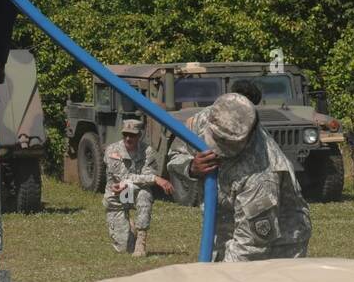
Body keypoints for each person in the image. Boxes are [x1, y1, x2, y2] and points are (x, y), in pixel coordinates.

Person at [167, 93, 311, 261]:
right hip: (223, 230)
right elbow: (176, 154)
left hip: (276, 247)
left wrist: (224, 279)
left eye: (225, 143)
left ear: (248, 137)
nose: (216, 149)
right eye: (215, 139)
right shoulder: (213, 117)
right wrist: (191, 167)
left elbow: (250, 248)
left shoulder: (262, 175)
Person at [104, 119, 172, 256]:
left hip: (134, 192)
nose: (128, 138)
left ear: (139, 135)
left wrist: (150, 178)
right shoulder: (112, 151)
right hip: (117, 196)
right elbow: (123, 178)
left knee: (144, 194)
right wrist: (155, 178)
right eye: (125, 134)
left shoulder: (148, 152)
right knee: (124, 249)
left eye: (132, 135)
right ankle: (129, 225)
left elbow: (146, 178)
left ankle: (141, 241)